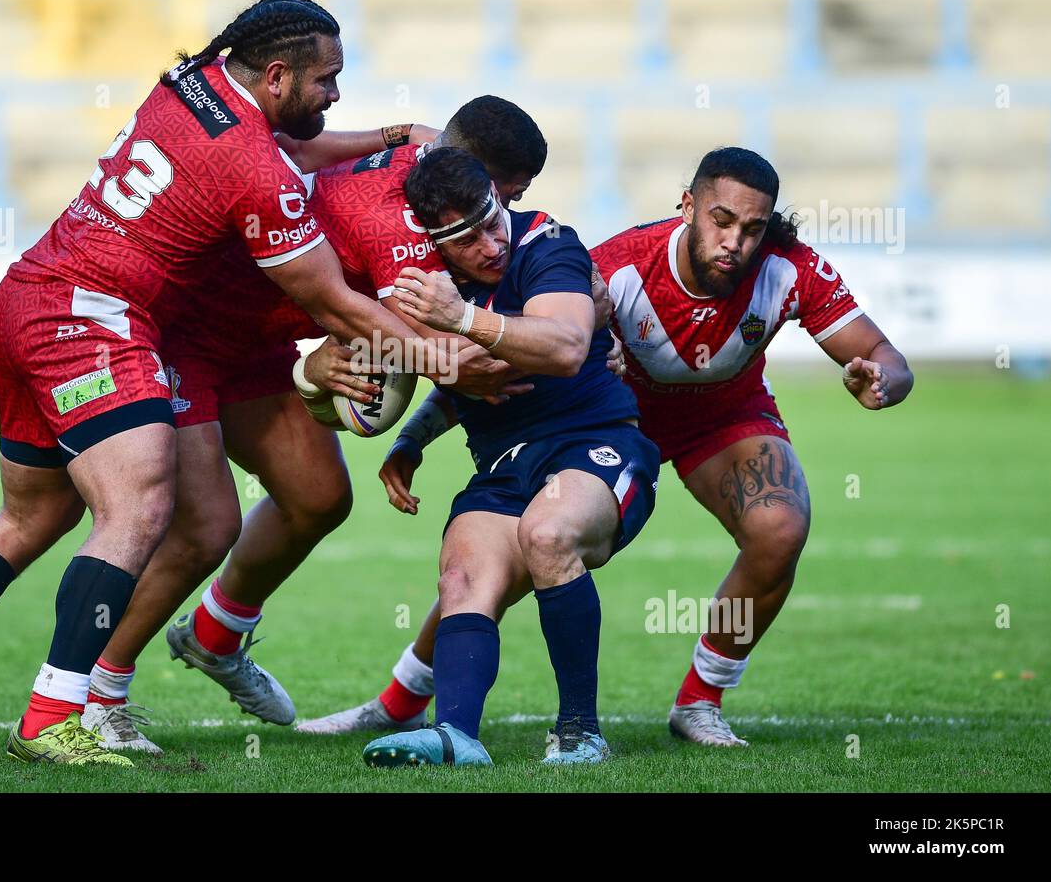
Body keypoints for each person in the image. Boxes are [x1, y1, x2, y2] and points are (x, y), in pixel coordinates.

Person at [0, 0, 441, 767]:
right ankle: (56, 714)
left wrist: (395, 135)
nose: (335, 95)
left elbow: (288, 150)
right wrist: (451, 355)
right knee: (139, 507)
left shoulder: (191, 80)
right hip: (93, 319)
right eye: (326, 79)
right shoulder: (255, 167)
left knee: (30, 518)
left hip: (28, 294)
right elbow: (328, 296)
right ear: (276, 73)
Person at [313, 146, 914, 750]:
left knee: (780, 528)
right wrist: (412, 431)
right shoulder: (619, 267)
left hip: (720, 417)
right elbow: (504, 365)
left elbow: (887, 357)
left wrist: (883, 381)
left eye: (753, 228)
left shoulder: (790, 269)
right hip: (606, 420)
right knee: (497, 566)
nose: (736, 241)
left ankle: (700, 702)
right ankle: (406, 702)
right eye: (722, 220)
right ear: (688, 207)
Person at [80, 98, 554, 754]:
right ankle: (98, 695)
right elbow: (439, 355)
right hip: (189, 335)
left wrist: (321, 363)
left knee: (319, 497)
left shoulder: (426, 166)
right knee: (207, 526)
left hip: (262, 343)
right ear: (474, 170)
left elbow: (309, 165)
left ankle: (214, 636)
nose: (506, 213)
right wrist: (559, 343)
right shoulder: (404, 225)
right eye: (511, 191)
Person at [359, 147, 660, 766]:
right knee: (461, 578)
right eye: (469, 239)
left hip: (595, 443)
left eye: (495, 221)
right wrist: (411, 439)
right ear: (436, 240)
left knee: (548, 535)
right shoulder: (417, 281)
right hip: (503, 463)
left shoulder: (546, 244)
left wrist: (461, 317)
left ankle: (580, 732)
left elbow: (566, 346)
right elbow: (471, 381)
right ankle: (456, 736)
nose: (493, 244)